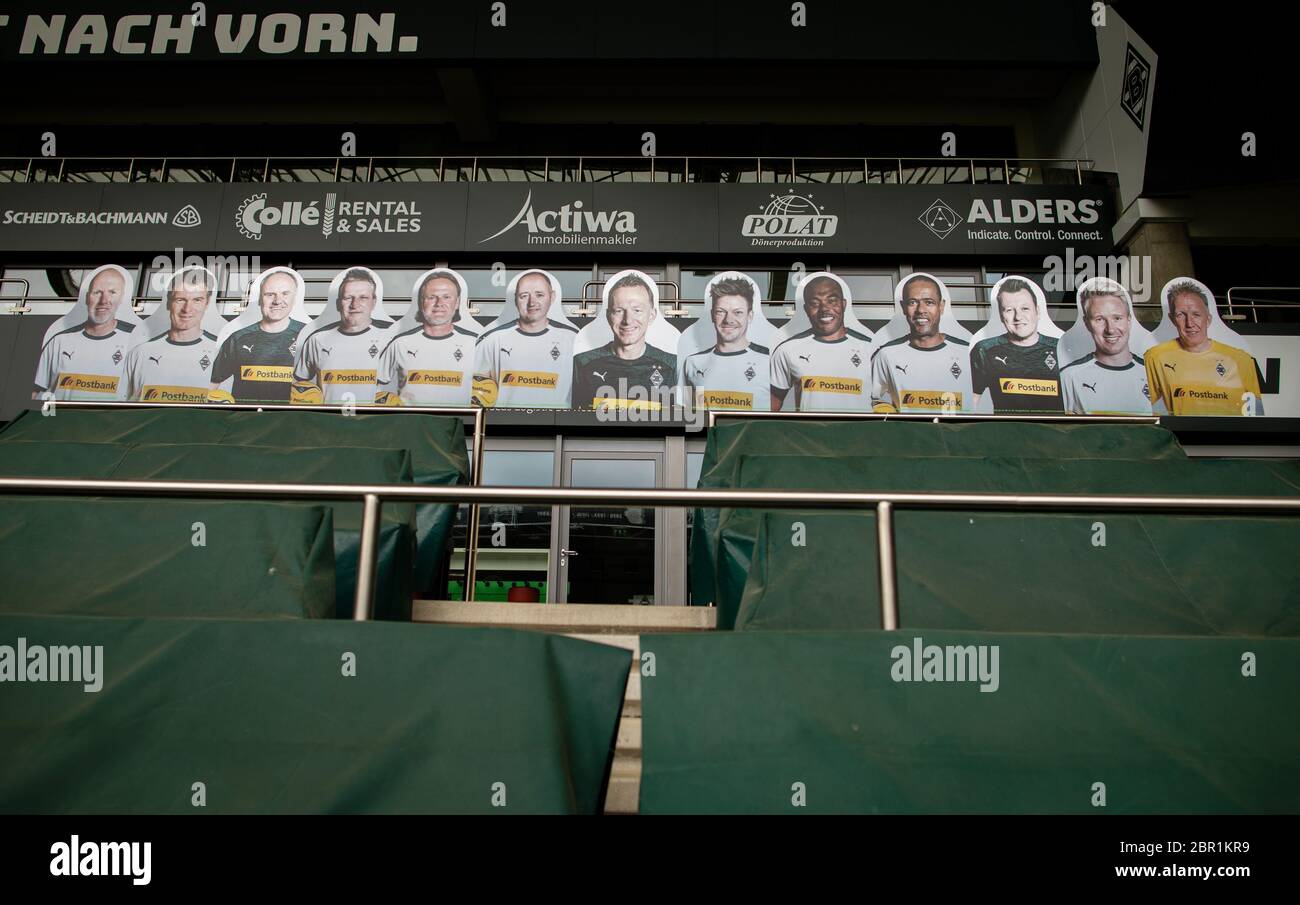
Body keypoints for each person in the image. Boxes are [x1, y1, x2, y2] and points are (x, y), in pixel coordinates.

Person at [1144, 280, 1263, 416]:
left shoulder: (1240, 359)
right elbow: (1145, 409)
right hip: (1182, 435)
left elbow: (1256, 414)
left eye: (1196, 314)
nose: (1190, 323)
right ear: (1172, 319)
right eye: (1180, 315)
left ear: (1208, 318)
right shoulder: (1155, 357)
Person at [571, 273, 676, 411]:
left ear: (651, 316)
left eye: (637, 310)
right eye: (619, 311)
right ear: (609, 316)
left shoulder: (672, 366)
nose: (627, 320)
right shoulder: (582, 364)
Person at [472, 270, 578, 408]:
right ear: (515, 299)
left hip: (557, 424)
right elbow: (473, 388)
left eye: (539, 295)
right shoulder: (493, 340)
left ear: (552, 297)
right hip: (503, 424)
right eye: (524, 296)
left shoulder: (573, 339)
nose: (532, 302)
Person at [32, 266, 137, 401]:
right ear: (87, 297)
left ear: (122, 298)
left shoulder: (136, 341)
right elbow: (37, 392)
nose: (104, 300)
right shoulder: (59, 341)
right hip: (64, 419)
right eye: (97, 292)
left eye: (112, 292)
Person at [870, 274, 972, 412]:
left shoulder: (969, 353)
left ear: (941, 306)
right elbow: (872, 398)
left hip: (958, 433)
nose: (920, 310)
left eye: (929, 302)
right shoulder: (886, 355)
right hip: (909, 433)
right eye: (912, 302)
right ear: (903, 307)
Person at [769, 274, 872, 411]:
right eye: (815, 303)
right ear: (806, 310)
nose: (824, 309)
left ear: (844, 304)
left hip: (858, 432)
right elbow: (771, 404)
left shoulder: (870, 348)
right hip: (808, 432)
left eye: (832, 300)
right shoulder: (787, 350)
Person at [375, 269, 477, 406]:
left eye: (447, 297)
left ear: (457, 303)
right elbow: (375, 386)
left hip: (460, 423)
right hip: (412, 424)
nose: (439, 303)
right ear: (421, 303)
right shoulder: (401, 344)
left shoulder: (475, 344)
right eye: (431, 297)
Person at [292, 268, 393, 404]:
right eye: (348, 298)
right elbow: (300, 386)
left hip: (373, 422)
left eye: (363, 297)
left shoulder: (392, 337)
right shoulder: (317, 339)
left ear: (374, 302)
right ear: (338, 303)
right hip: (329, 422)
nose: (354, 304)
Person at [208, 268, 307, 403]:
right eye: (270, 294)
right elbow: (211, 385)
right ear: (260, 299)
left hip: (291, 421)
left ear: (294, 298)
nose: (277, 301)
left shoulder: (308, 336)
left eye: (285, 293)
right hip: (245, 420)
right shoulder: (237, 339)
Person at [124, 269, 220, 403]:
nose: (187, 309)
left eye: (197, 300)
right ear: (169, 302)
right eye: (180, 299)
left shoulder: (222, 353)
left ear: (207, 303)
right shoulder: (140, 353)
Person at [969, 278, 1063, 413]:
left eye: (1025, 308)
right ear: (1001, 316)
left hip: (1056, 431)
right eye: (1009, 310)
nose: (1018, 317)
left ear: (1037, 311)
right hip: (1007, 432)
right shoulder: (984, 350)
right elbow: (972, 401)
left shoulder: (1060, 348)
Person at [1060, 279, 1152, 415]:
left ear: (1129, 320)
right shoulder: (1069, 377)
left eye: (1117, 318)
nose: (1110, 329)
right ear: (1086, 323)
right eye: (1100, 319)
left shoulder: (1153, 374)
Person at [682, 277, 770, 411]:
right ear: (712, 315)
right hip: (707, 433)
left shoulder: (770, 360)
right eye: (721, 312)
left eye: (738, 312)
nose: (729, 319)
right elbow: (687, 415)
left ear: (750, 316)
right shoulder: (693, 363)